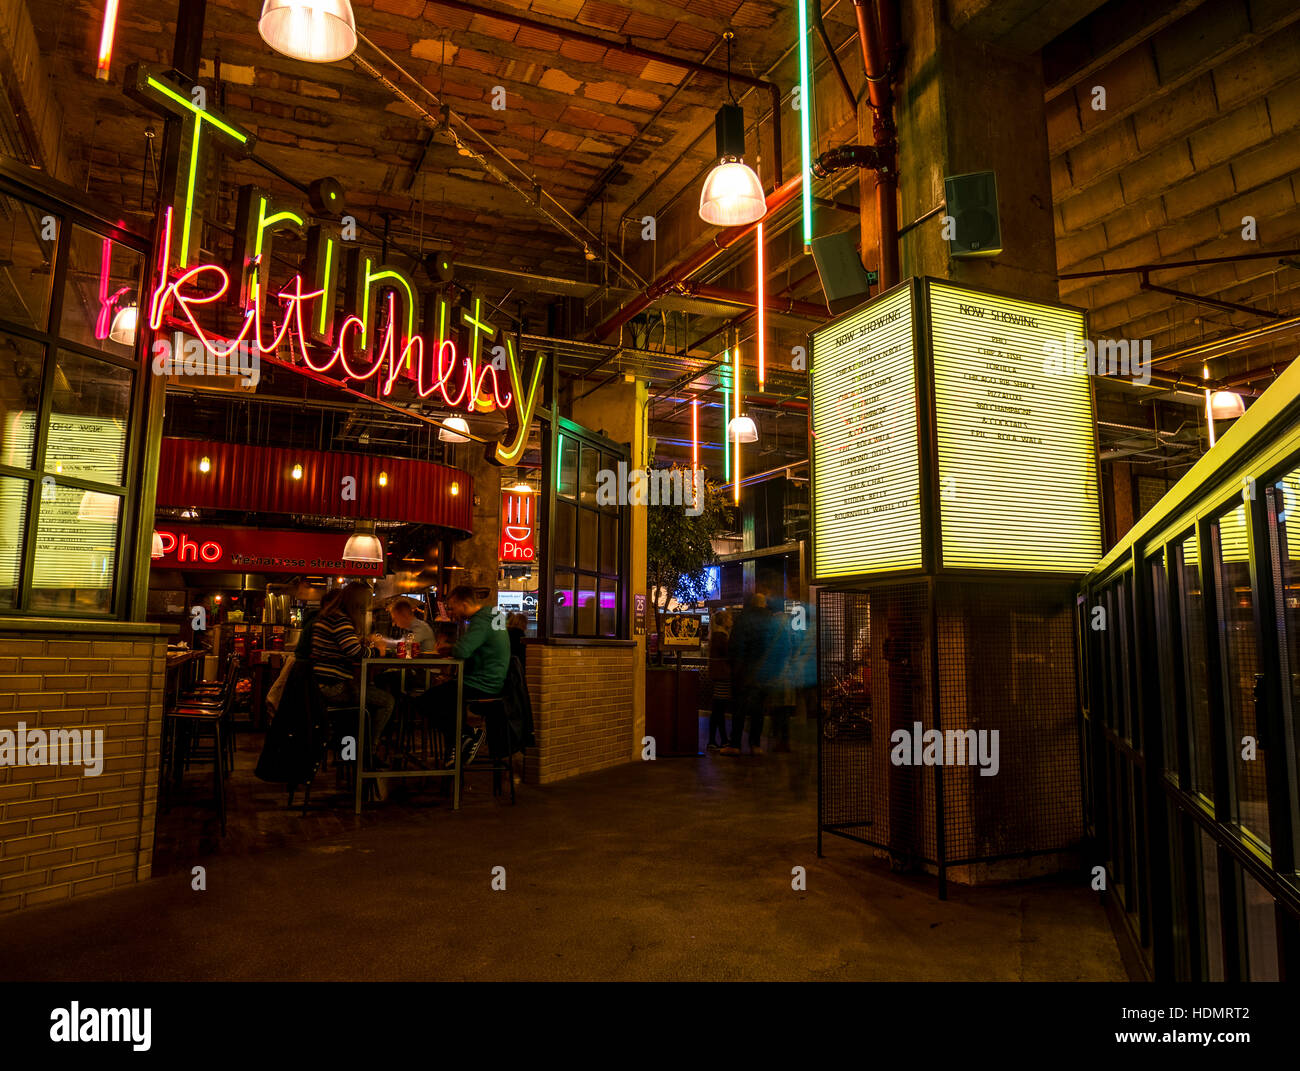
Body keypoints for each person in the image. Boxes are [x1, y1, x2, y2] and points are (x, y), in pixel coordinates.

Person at [311, 581, 396, 775]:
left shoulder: (329, 617)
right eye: (365, 602)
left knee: (366, 700)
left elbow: (346, 647)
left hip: (322, 685)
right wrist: (378, 651)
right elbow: (355, 653)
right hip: (333, 687)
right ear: (357, 603)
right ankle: (367, 752)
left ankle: (349, 751)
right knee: (387, 701)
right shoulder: (340, 620)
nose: (367, 606)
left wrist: (361, 643)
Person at [423, 586, 510, 768]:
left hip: (482, 683)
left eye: (453, 607)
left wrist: (447, 648)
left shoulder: (481, 621)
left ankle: (469, 734)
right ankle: (457, 746)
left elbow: (462, 650)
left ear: (464, 604)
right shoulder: (492, 615)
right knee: (446, 700)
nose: (452, 612)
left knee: (427, 702)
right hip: (492, 679)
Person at [723, 593, 774, 755]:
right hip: (763, 673)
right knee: (758, 710)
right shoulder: (771, 621)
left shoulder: (743, 620)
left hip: (743, 672)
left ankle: (735, 744)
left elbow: (735, 646)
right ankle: (755, 744)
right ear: (764, 604)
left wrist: (734, 667)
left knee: (739, 709)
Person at [706, 610, 732, 750]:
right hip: (722, 676)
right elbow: (729, 655)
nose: (731, 621)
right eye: (729, 618)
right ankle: (718, 740)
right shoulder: (721, 637)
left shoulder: (716, 636)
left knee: (718, 709)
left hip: (718, 675)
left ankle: (719, 739)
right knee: (718, 709)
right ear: (724, 621)